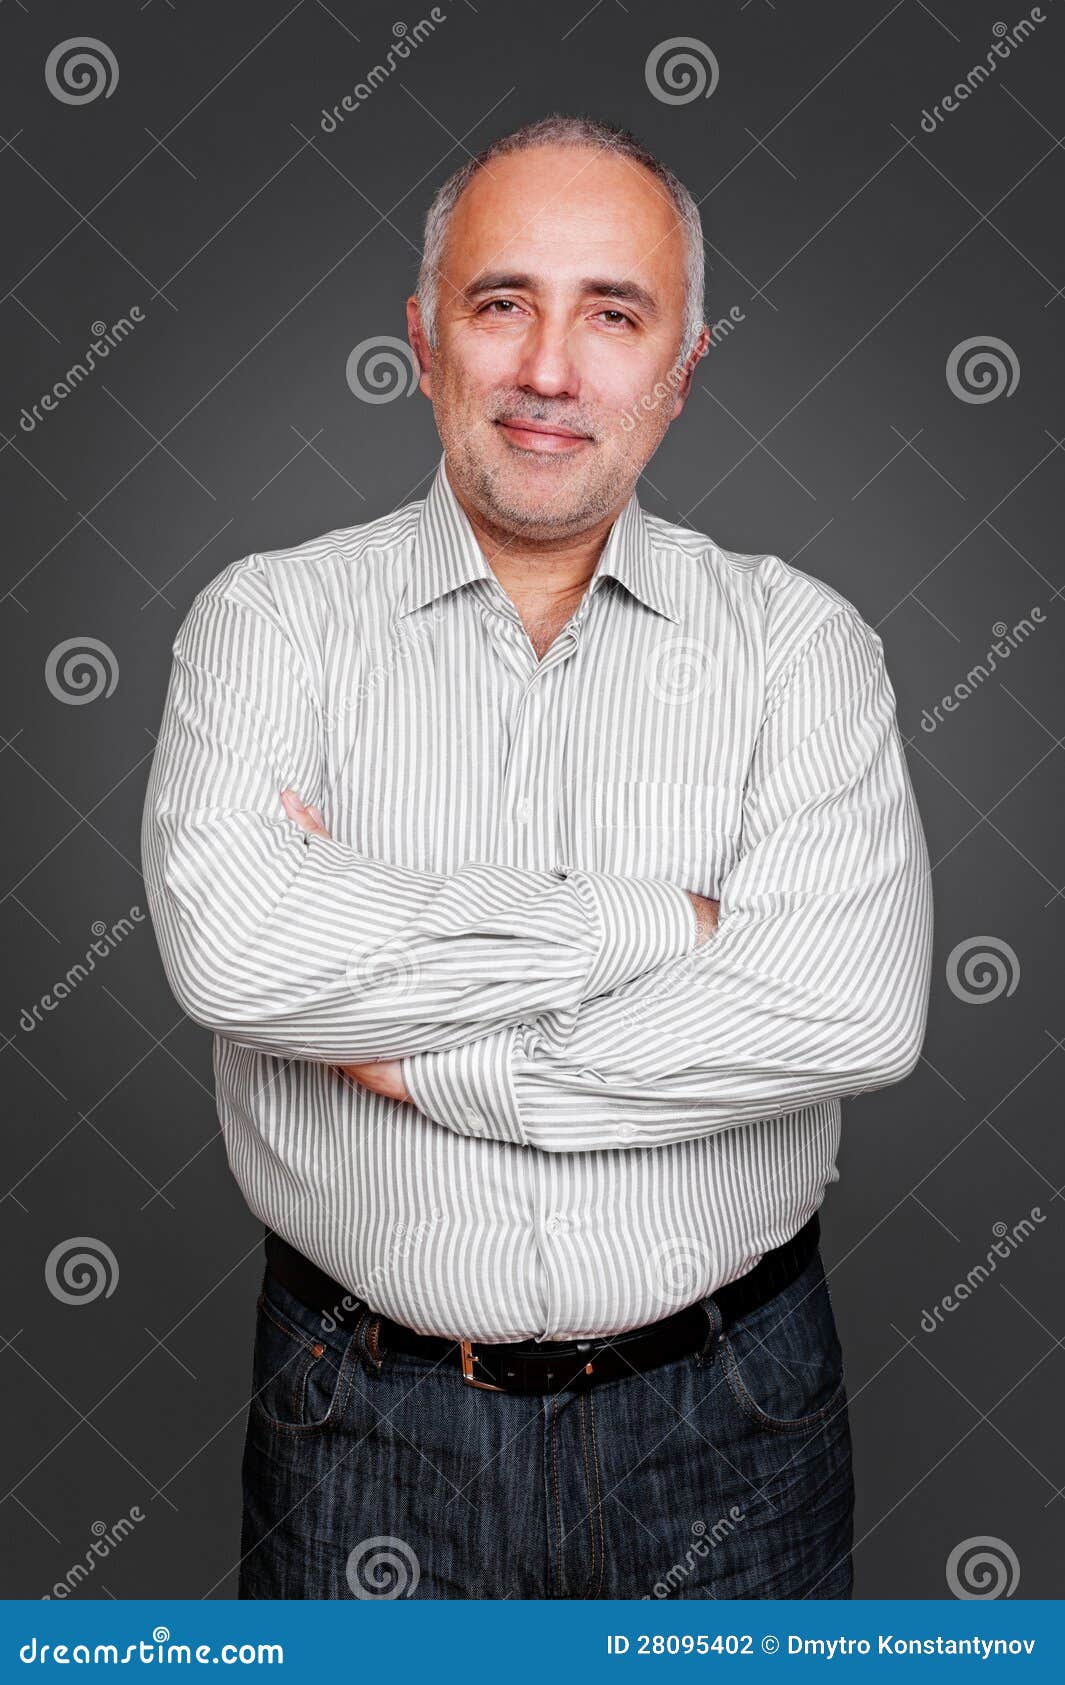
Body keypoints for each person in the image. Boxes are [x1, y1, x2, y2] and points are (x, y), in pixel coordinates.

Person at [141, 113, 933, 1601]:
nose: (549, 369)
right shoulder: (267, 622)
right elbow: (238, 951)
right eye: (500, 303)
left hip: (732, 1417)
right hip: (361, 1421)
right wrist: (670, 923)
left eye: (612, 315)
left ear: (681, 368)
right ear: (424, 340)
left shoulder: (802, 648)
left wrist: (437, 1054)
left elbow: (852, 1009)